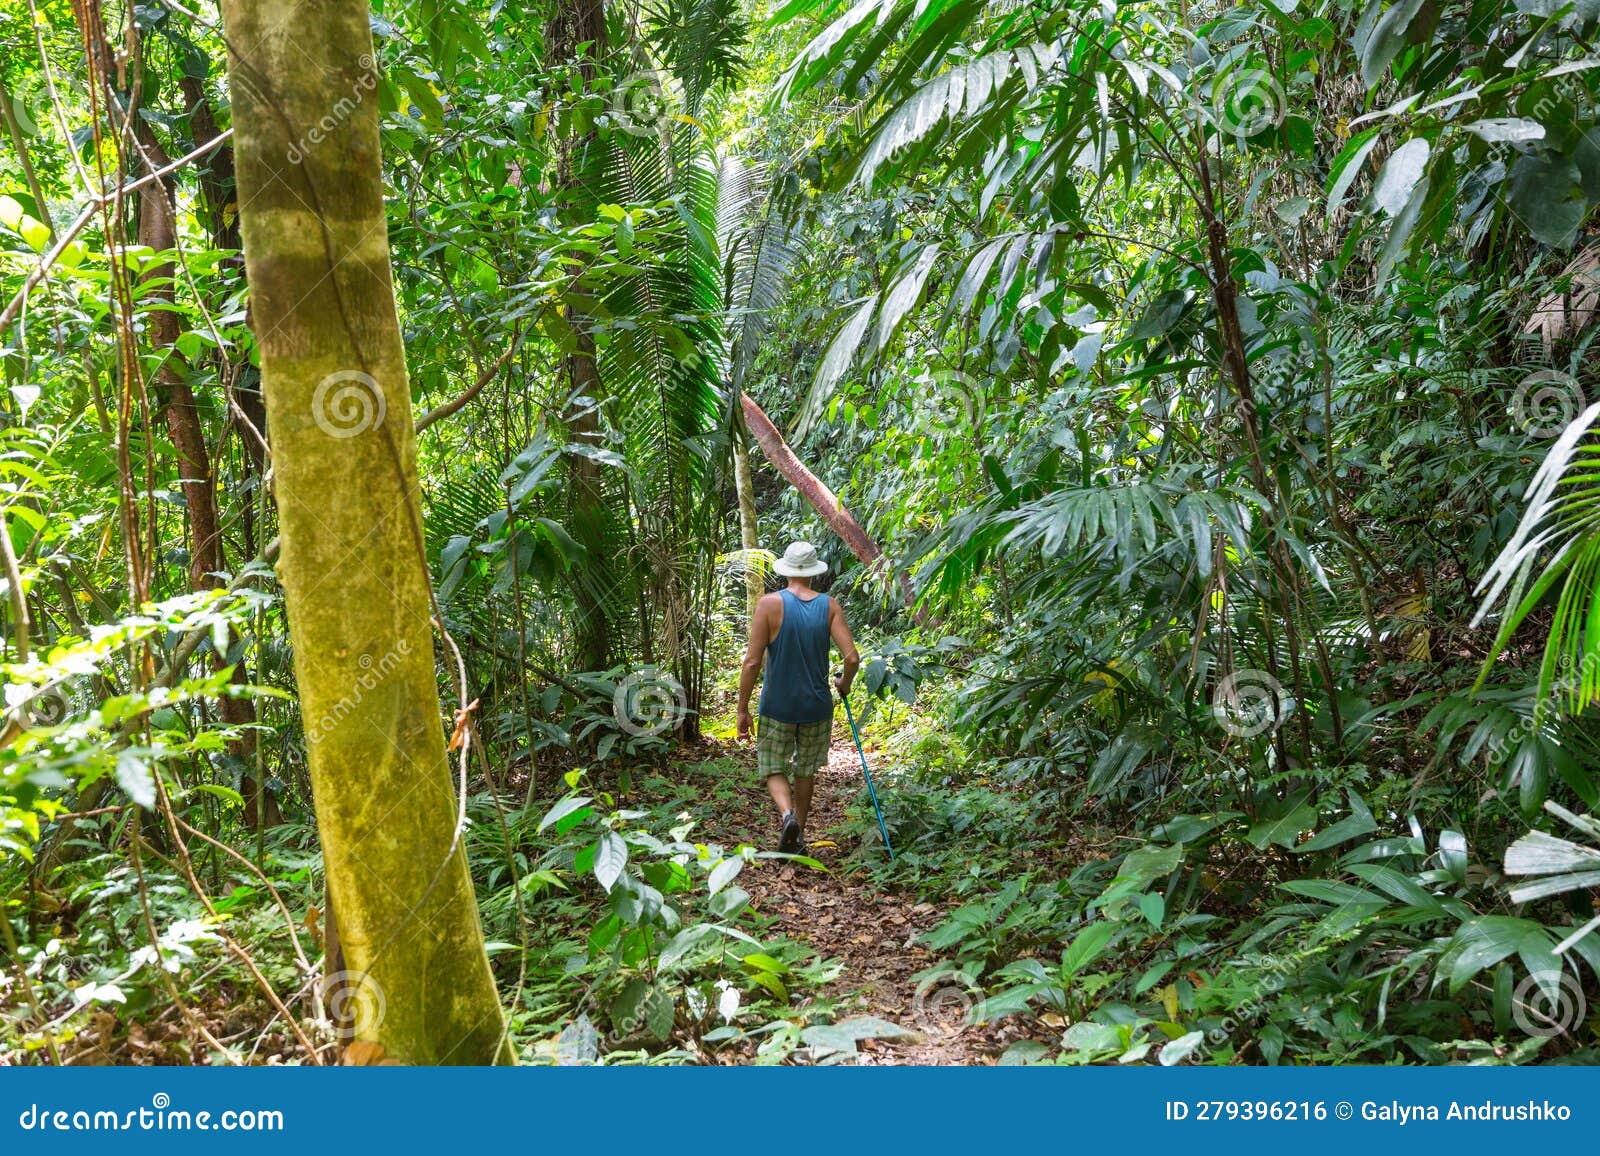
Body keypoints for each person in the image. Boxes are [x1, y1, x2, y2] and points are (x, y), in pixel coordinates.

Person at [737, 540, 860, 853]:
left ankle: (787, 815)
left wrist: (742, 709)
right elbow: (852, 658)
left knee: (772, 766)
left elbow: (752, 662)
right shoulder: (829, 605)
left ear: (786, 571)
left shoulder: (768, 605)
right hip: (816, 706)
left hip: (777, 705)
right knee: (805, 770)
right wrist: (844, 684)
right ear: (814, 572)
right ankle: (799, 834)